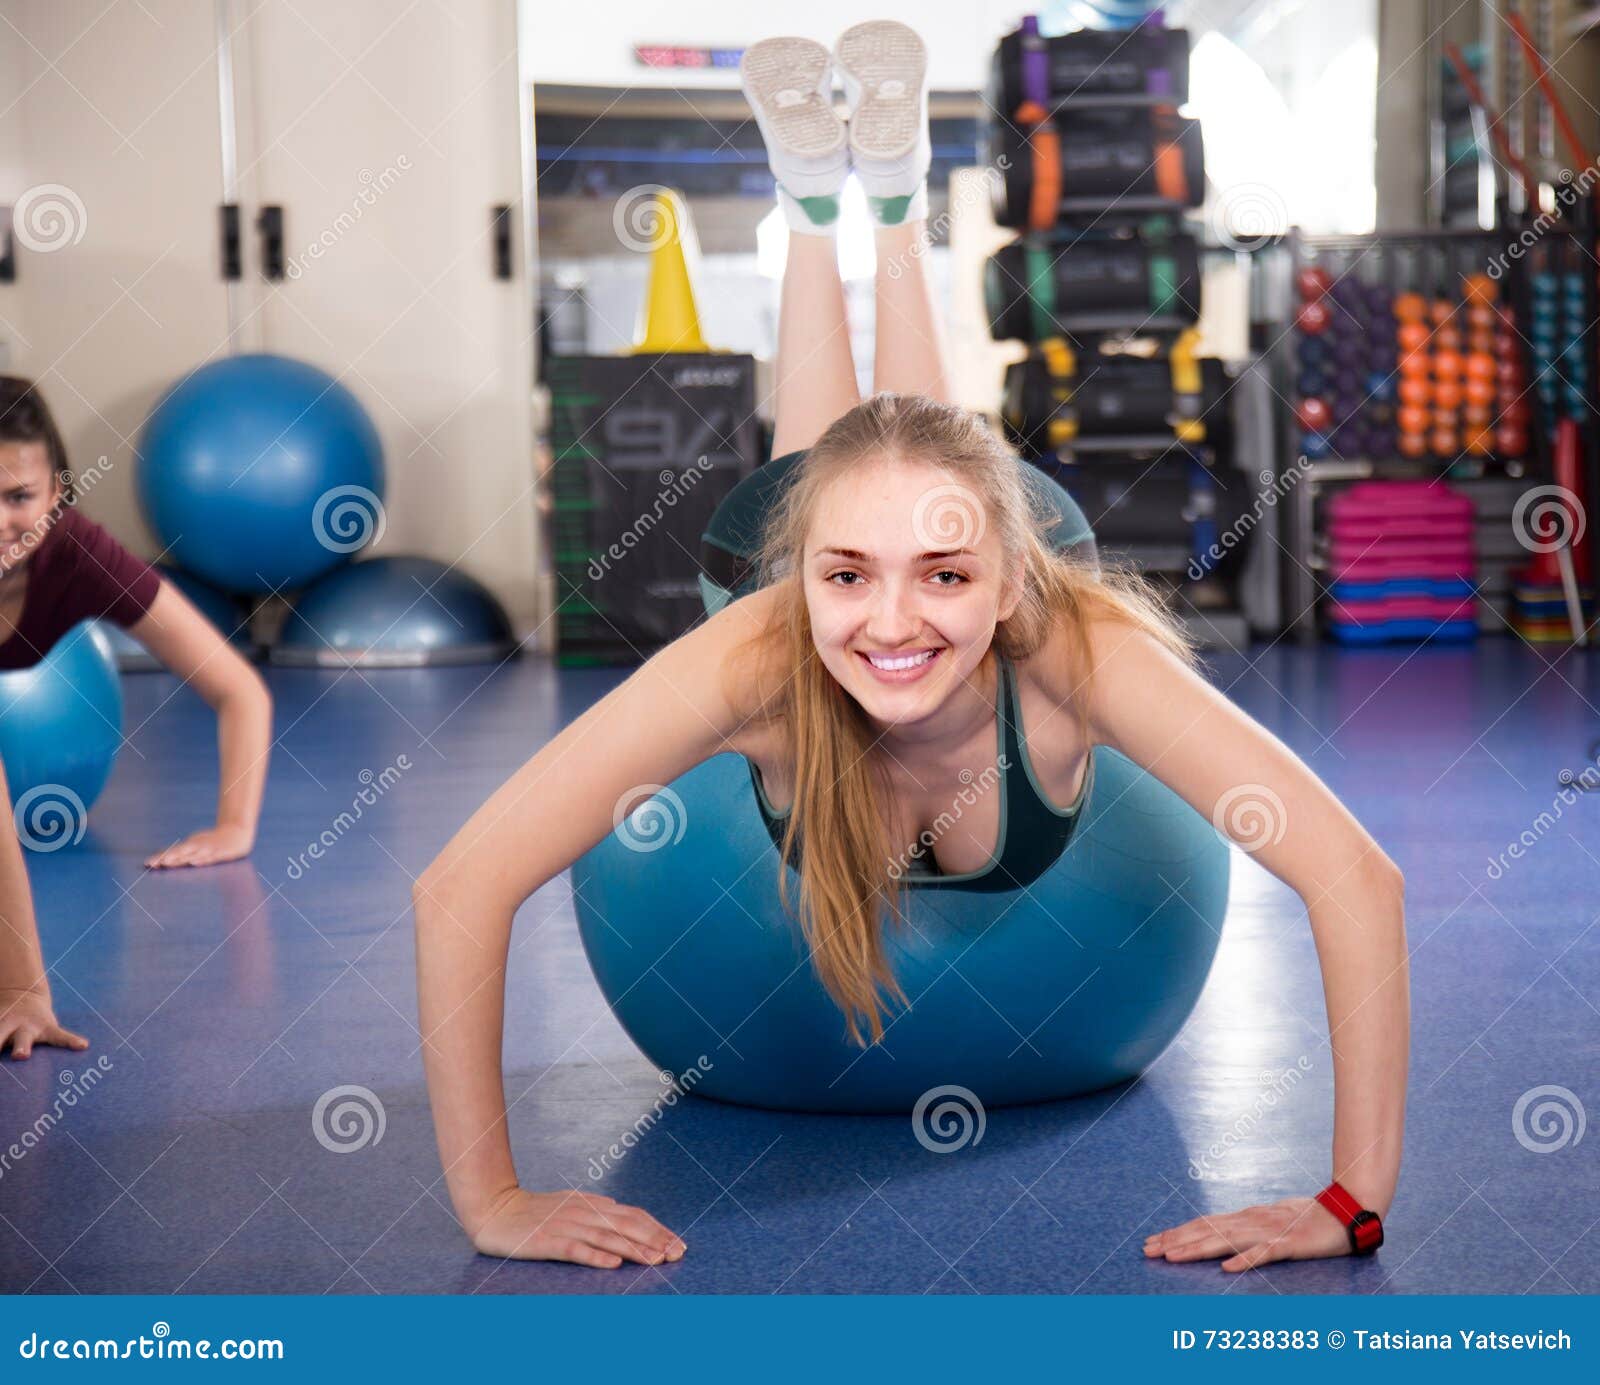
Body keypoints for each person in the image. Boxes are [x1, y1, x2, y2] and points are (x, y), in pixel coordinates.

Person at [414, 21, 1408, 1274]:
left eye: (948, 578)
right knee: (833, 476)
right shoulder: (758, 655)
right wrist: (491, 1196)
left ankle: (884, 211)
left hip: (986, 545)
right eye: (848, 581)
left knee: (911, 470)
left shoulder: (1074, 648)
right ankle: (840, 209)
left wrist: (1351, 1197)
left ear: (1006, 584)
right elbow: (458, 887)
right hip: (795, 580)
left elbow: (1355, 878)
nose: (892, 622)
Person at [0, 376, 274, 1058]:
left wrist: (233, 825)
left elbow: (240, 689)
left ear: (57, 491)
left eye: (18, 497)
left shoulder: (76, 552)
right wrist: (22, 989)